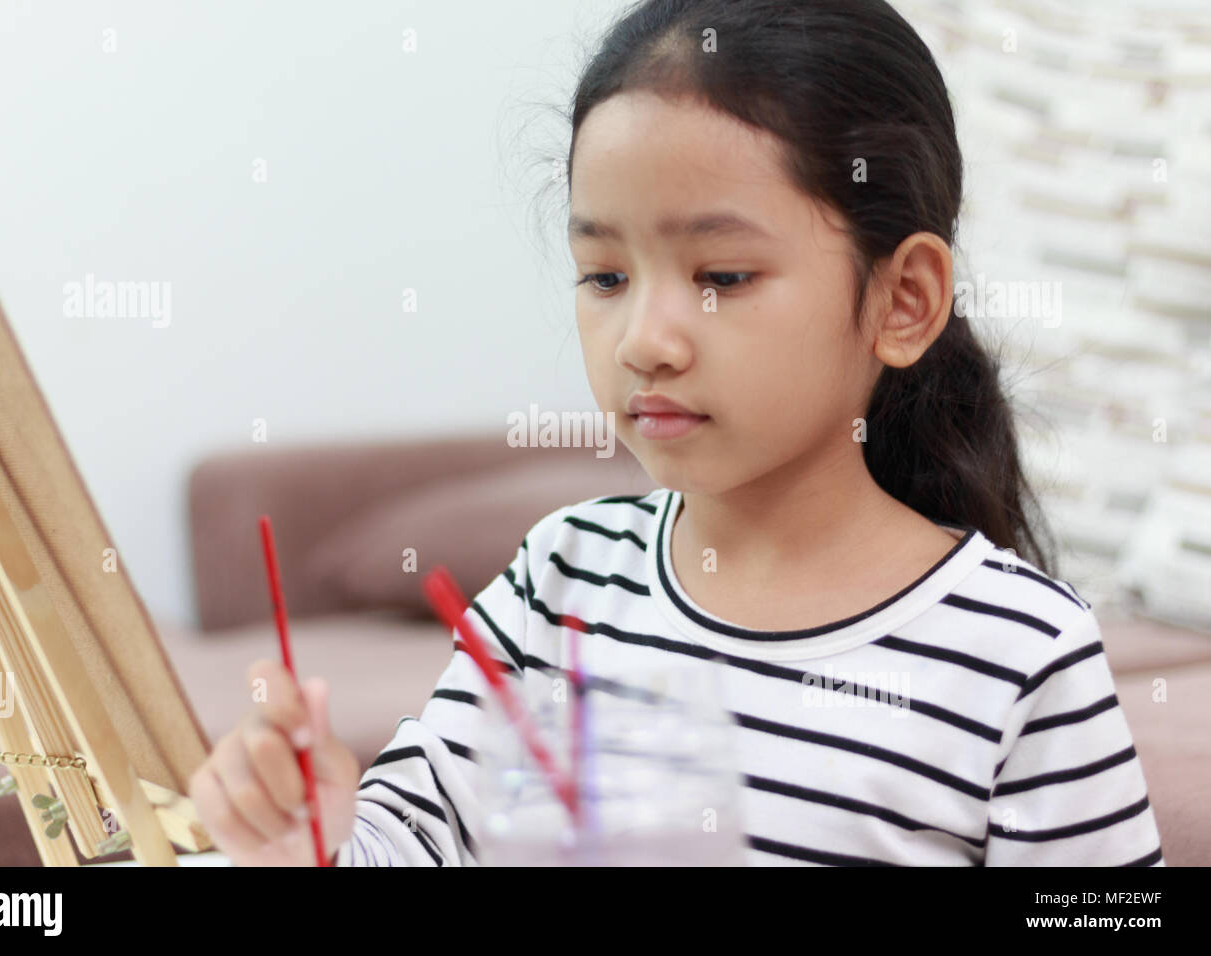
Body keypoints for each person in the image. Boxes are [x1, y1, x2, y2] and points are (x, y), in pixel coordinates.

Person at [188, 0, 1165, 866]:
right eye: (605, 277)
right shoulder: (560, 578)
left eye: (722, 276)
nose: (644, 340)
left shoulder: (1023, 655)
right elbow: (406, 842)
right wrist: (301, 840)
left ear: (901, 299)